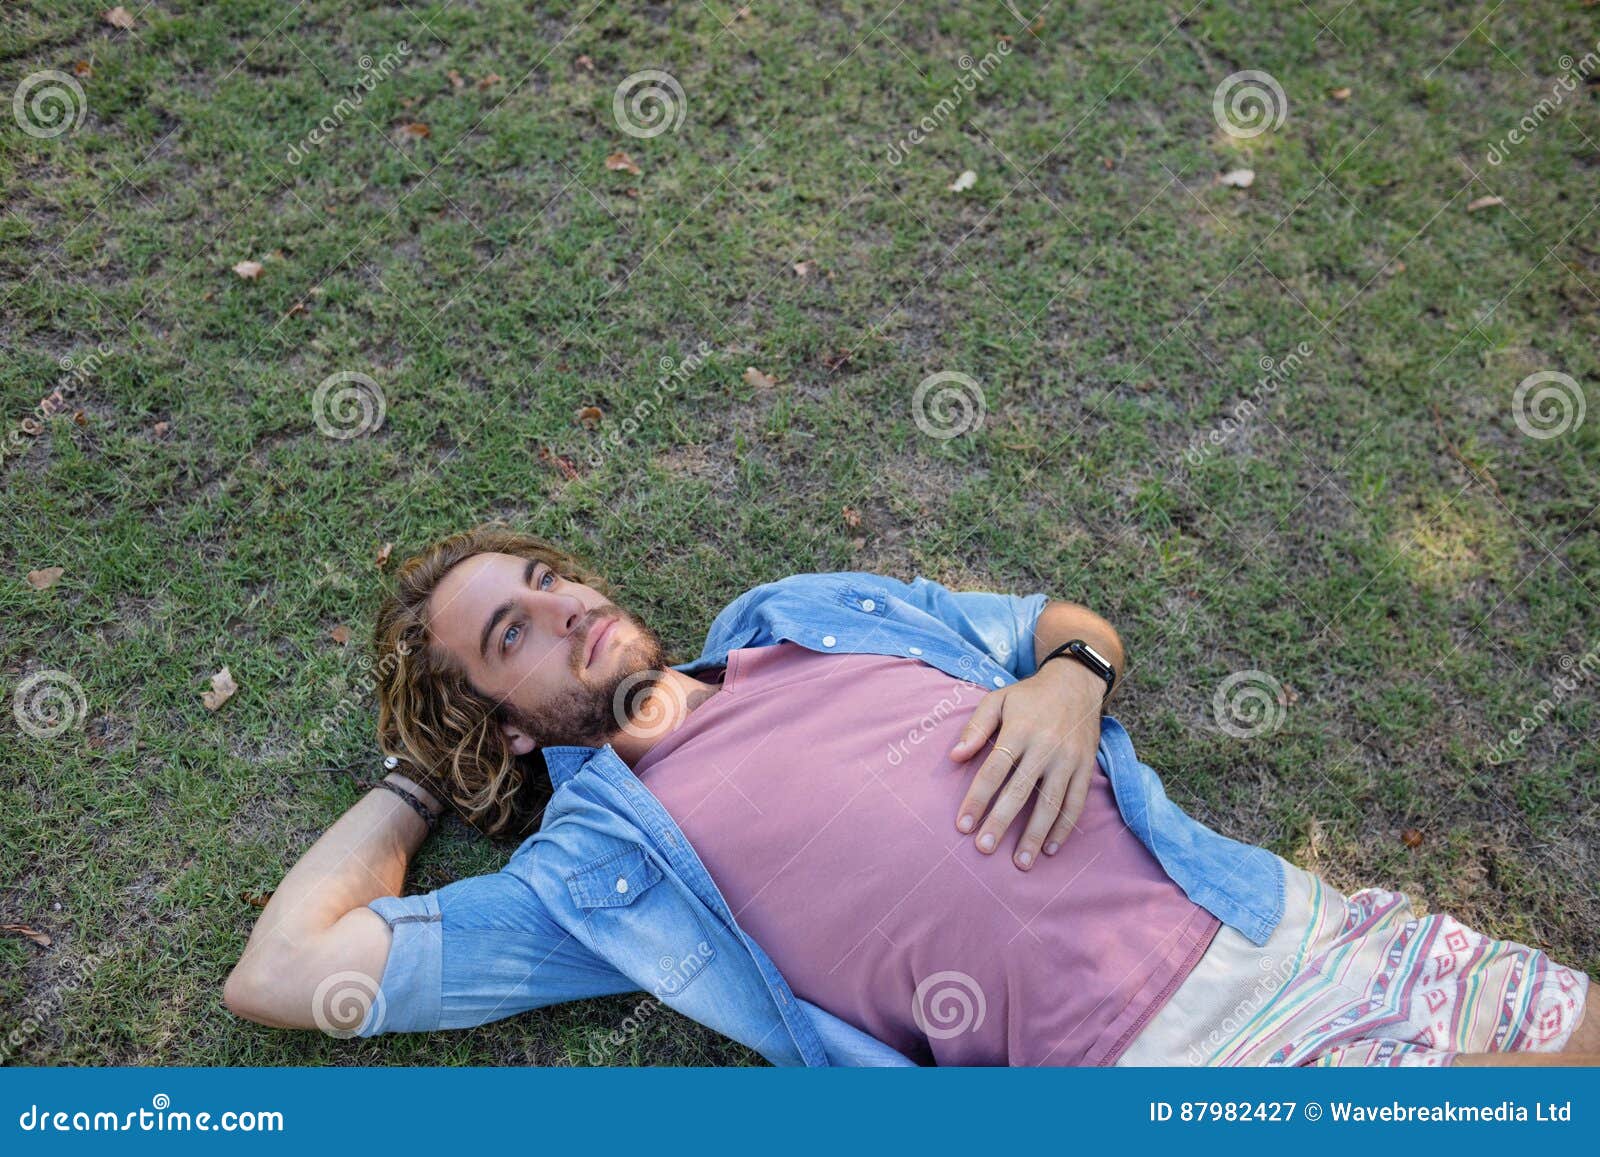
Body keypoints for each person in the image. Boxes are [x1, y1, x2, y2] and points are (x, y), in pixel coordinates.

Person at [224, 526, 1595, 1066]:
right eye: (510, 634)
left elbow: (1064, 618)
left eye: (544, 578)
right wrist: (418, 784)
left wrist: (1070, 675)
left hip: (1295, 926)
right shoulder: (594, 874)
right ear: (501, 726)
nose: (562, 607)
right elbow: (285, 971)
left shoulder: (801, 613)